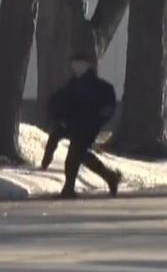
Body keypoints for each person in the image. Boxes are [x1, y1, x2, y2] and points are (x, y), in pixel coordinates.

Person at [46, 51, 122, 199]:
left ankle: (69, 188)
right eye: (74, 63)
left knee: (75, 154)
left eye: (79, 63)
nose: (75, 67)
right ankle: (110, 176)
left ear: (88, 65)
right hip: (72, 124)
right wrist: (58, 115)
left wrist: (97, 119)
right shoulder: (71, 85)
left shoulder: (100, 86)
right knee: (81, 154)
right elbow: (59, 103)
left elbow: (108, 107)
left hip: (87, 126)